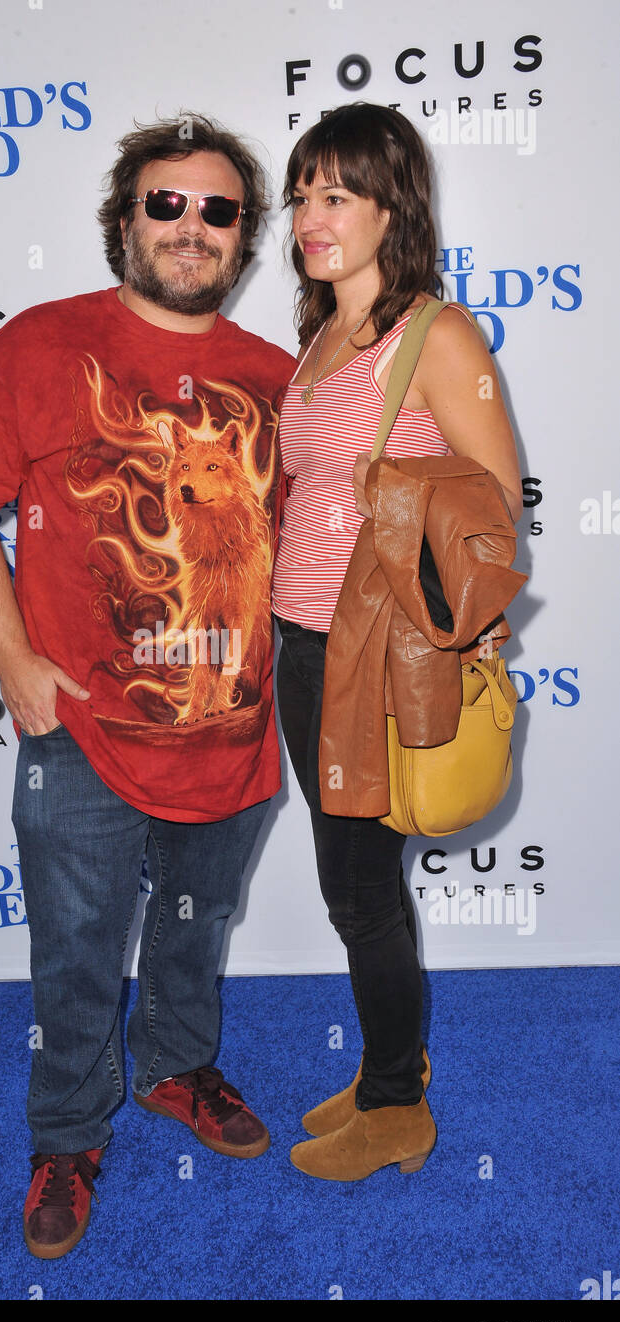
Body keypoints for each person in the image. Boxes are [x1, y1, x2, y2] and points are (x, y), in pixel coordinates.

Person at [0, 114, 295, 1257]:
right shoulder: (38, 347)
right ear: (124, 221)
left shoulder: (278, 380)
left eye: (218, 210)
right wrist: (14, 663)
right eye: (165, 204)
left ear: (243, 237)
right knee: (77, 949)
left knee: (196, 926)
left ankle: (178, 1070)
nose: (191, 228)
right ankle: (68, 1132)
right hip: (80, 729)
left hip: (232, 731)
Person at [271, 104, 523, 1181]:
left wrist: (450, 627)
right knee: (354, 880)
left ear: (392, 207)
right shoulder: (323, 329)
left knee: (360, 891)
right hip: (302, 644)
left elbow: (497, 509)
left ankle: (394, 1109)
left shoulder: (438, 333)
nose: (310, 217)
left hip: (369, 655)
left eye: (337, 195)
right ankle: (396, 1065)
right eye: (302, 193)